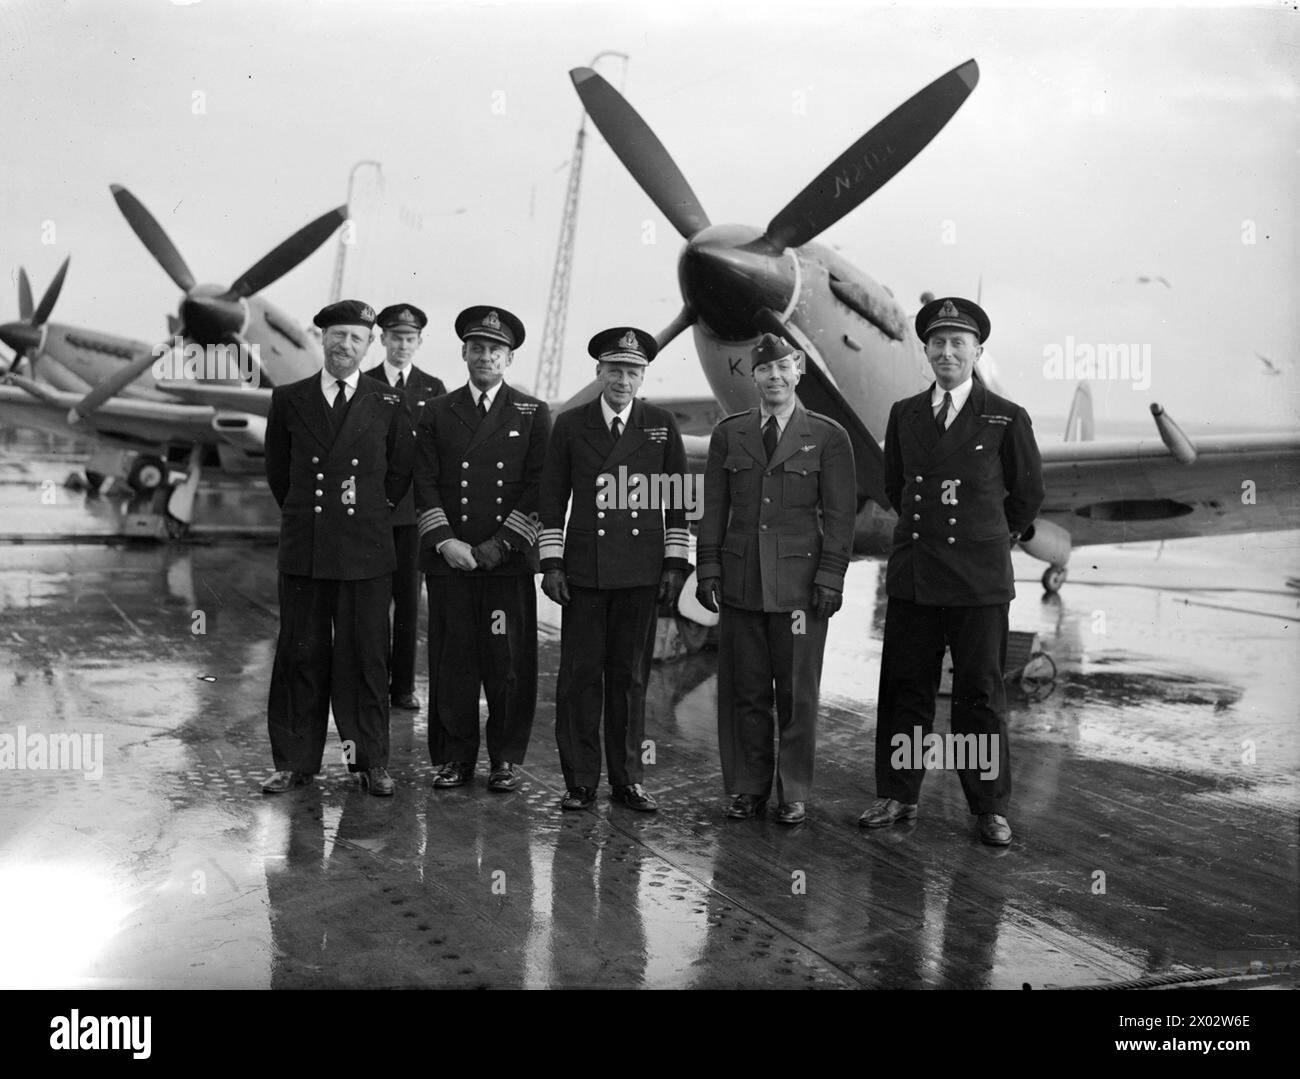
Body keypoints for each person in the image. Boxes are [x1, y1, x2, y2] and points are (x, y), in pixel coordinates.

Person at [859, 296, 1044, 846]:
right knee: (904, 688)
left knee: (979, 693)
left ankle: (988, 806)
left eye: (957, 343)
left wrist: (987, 537)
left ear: (976, 351)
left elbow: (1028, 496)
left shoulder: (1006, 416)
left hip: (978, 579)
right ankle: (898, 794)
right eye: (937, 343)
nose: (947, 352)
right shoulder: (905, 414)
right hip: (917, 574)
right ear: (927, 352)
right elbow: (894, 487)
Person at [695, 332, 856, 825]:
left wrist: (831, 576)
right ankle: (747, 788)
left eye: (783, 367)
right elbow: (714, 507)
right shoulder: (730, 433)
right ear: (754, 376)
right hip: (742, 583)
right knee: (744, 691)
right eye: (765, 370)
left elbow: (842, 514)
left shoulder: (829, 436)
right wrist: (708, 567)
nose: (775, 377)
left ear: (799, 368)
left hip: (800, 590)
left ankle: (794, 791)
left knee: (795, 693)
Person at [261, 300, 415, 797]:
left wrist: (365, 514)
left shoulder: (388, 403)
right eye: (336, 335)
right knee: (300, 655)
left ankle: (370, 762)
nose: (345, 345)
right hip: (306, 550)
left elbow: (397, 476)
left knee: (366, 659)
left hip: (366, 551)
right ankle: (294, 763)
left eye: (356, 338)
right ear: (321, 339)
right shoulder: (288, 399)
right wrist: (312, 515)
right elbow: (280, 476)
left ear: (370, 344)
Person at [538, 327, 691, 812]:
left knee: (630, 678)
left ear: (643, 376)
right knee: (579, 677)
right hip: (584, 572)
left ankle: (628, 779)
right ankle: (580, 780)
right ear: (599, 373)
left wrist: (673, 564)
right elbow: (551, 499)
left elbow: (677, 504)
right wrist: (552, 562)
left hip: (641, 573)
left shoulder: (661, 425)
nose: (623, 380)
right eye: (615, 370)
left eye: (632, 371)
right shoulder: (571, 424)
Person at [414, 306, 550, 792]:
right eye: (477, 348)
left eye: (495, 349)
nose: (485, 356)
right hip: (450, 562)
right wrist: (446, 541)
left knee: (508, 662)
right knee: (453, 661)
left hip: (503, 564)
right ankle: (454, 758)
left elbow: (540, 488)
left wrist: (498, 547)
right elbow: (424, 481)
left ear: (509, 358)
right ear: (464, 354)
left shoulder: (533, 414)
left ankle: (506, 759)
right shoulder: (435, 412)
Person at [362, 304, 446, 712]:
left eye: (409, 339)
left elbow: (440, 451)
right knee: (373, 603)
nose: (402, 345)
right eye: (395, 338)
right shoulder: (365, 382)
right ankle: (373, 685)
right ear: (383, 341)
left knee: (410, 603)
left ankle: (403, 688)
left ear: (419, 343)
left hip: (414, 513)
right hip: (375, 511)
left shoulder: (434, 387)